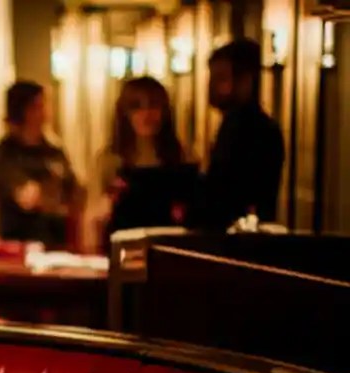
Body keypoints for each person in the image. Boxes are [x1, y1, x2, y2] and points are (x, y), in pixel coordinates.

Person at [90, 76, 198, 237]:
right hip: (123, 244)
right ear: (125, 112)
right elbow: (93, 216)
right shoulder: (110, 159)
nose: (146, 114)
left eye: (153, 105)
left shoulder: (182, 156)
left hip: (169, 245)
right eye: (136, 107)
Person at [200, 39, 285, 230]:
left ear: (245, 81)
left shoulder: (249, 128)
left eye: (221, 78)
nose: (211, 86)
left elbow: (226, 191)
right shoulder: (238, 123)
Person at [0, 81, 79, 248]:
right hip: (21, 245)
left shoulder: (53, 151)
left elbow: (74, 192)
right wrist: (53, 199)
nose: (46, 111)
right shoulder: (5, 154)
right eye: (39, 105)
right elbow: (28, 197)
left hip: (58, 242)